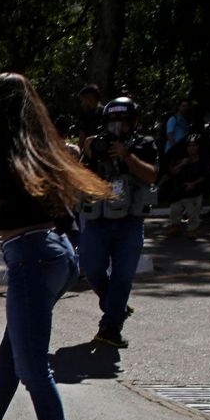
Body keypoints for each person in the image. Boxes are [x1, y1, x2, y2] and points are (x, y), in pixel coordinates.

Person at [0, 73, 110, 420]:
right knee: (13, 356)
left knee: (31, 368)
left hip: (28, 256)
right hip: (57, 255)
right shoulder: (41, 149)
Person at [76, 96, 159, 348]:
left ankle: (111, 327)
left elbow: (151, 175)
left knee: (123, 276)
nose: (117, 127)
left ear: (133, 122)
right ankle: (117, 305)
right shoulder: (96, 144)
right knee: (91, 268)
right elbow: (79, 178)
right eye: (112, 122)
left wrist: (127, 155)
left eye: (123, 122)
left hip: (129, 221)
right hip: (98, 219)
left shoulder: (143, 144)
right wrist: (87, 154)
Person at [163, 134, 210, 239]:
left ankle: (192, 230)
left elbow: (205, 176)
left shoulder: (203, 161)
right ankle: (175, 226)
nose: (191, 148)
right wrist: (181, 164)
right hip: (179, 190)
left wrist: (193, 184)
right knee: (175, 210)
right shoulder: (181, 159)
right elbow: (173, 172)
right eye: (189, 146)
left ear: (198, 147)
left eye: (194, 145)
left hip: (194, 191)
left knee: (193, 212)